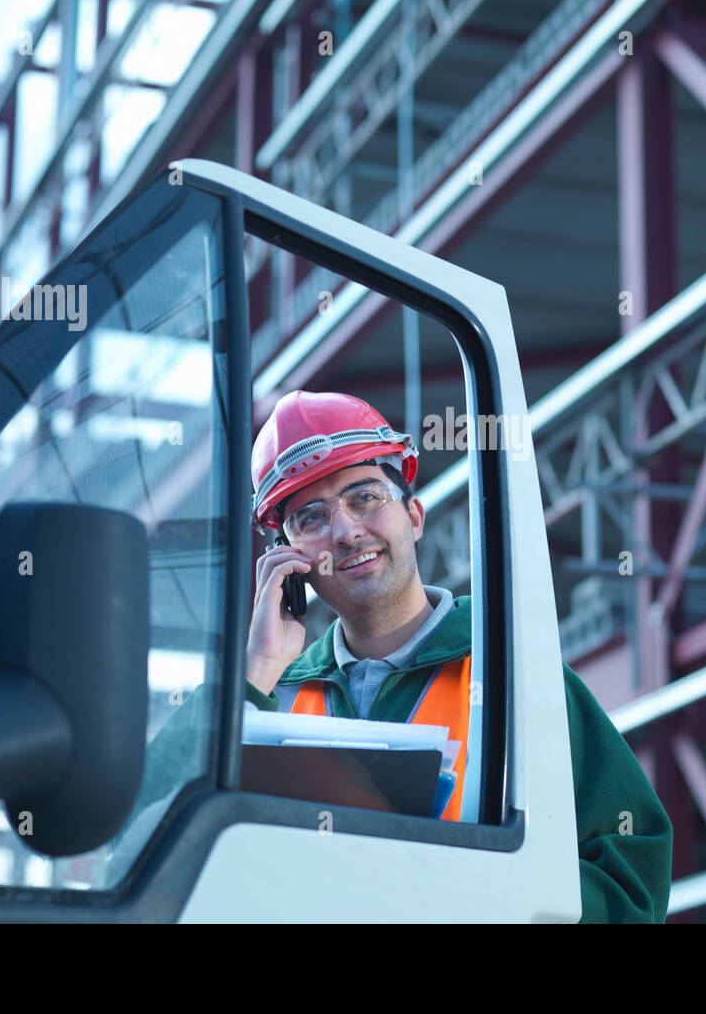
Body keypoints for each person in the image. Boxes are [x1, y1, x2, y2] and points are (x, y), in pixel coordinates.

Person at [242, 390, 672, 923]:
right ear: (286, 559)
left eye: (365, 497)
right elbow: (154, 835)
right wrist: (256, 671)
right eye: (310, 517)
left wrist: (483, 897)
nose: (347, 530)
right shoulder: (270, 699)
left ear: (414, 516)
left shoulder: (512, 670)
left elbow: (632, 879)